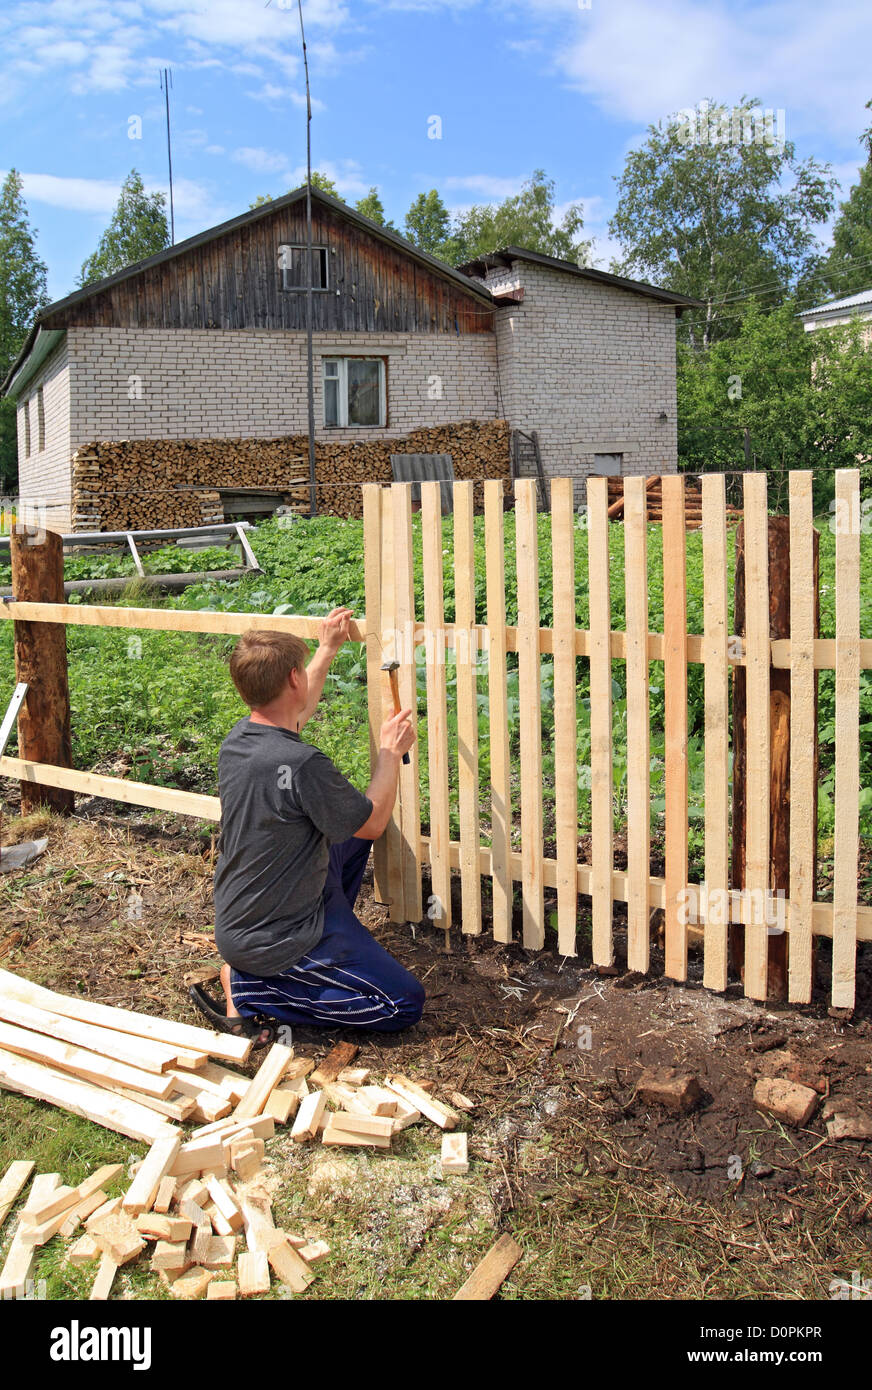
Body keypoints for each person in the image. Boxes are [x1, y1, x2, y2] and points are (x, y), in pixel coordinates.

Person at [190, 608, 424, 1044]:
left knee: (347, 831)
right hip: (276, 937)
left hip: (250, 914)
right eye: (301, 672)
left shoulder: (240, 740)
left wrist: (327, 649)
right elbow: (373, 824)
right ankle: (249, 987)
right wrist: (390, 753)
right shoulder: (301, 763)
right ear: (293, 680)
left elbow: (295, 712)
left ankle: (322, 947)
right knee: (403, 1003)